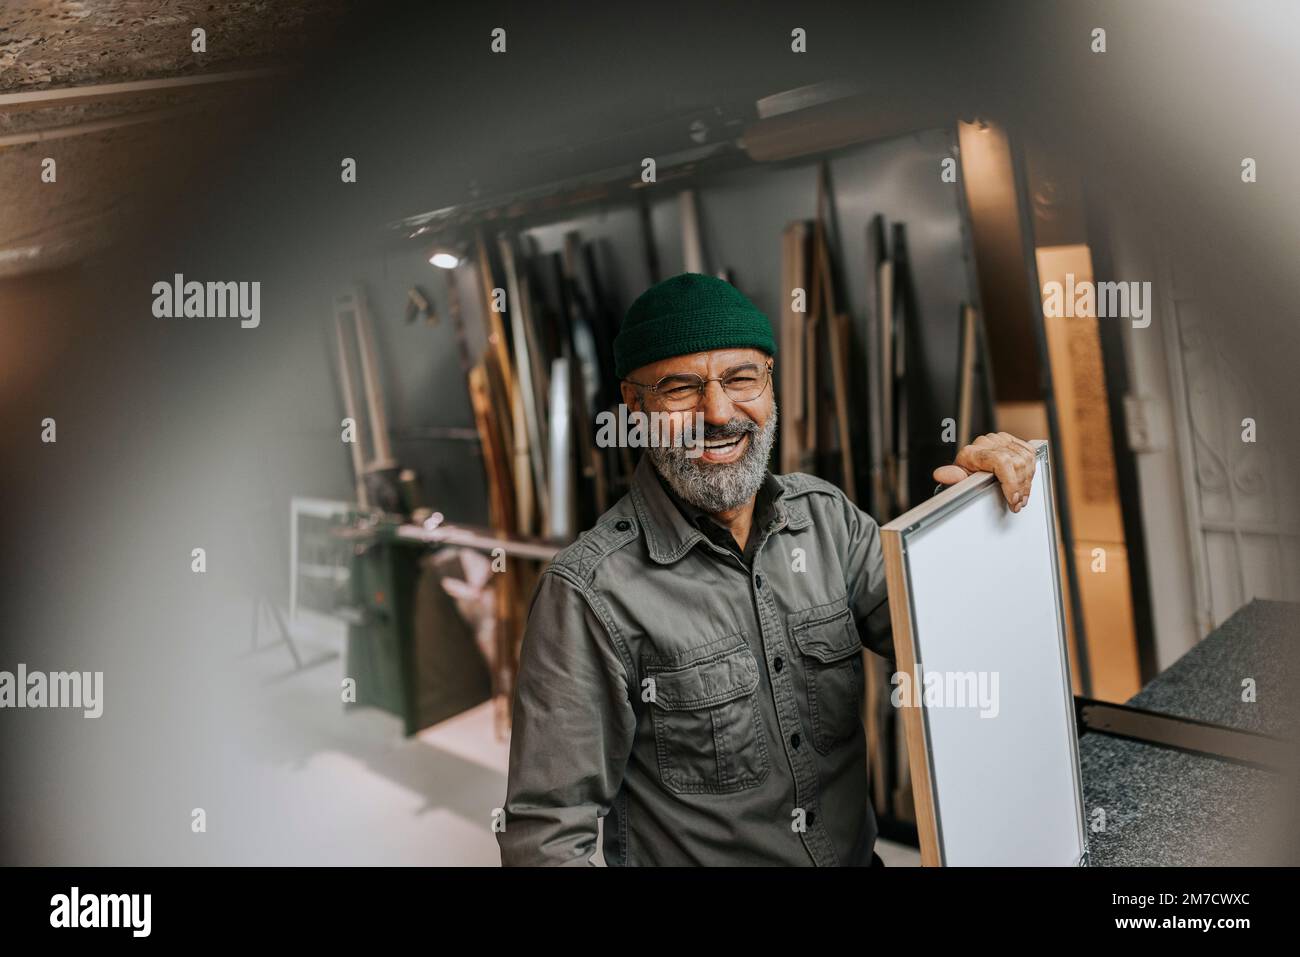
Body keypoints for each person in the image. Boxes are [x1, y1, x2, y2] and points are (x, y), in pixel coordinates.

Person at [498, 273, 1037, 865]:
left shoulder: (827, 521)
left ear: (770, 385)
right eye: (681, 388)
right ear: (635, 406)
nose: (720, 411)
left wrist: (973, 525)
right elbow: (545, 841)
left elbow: (947, 643)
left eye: (740, 379)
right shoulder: (589, 594)